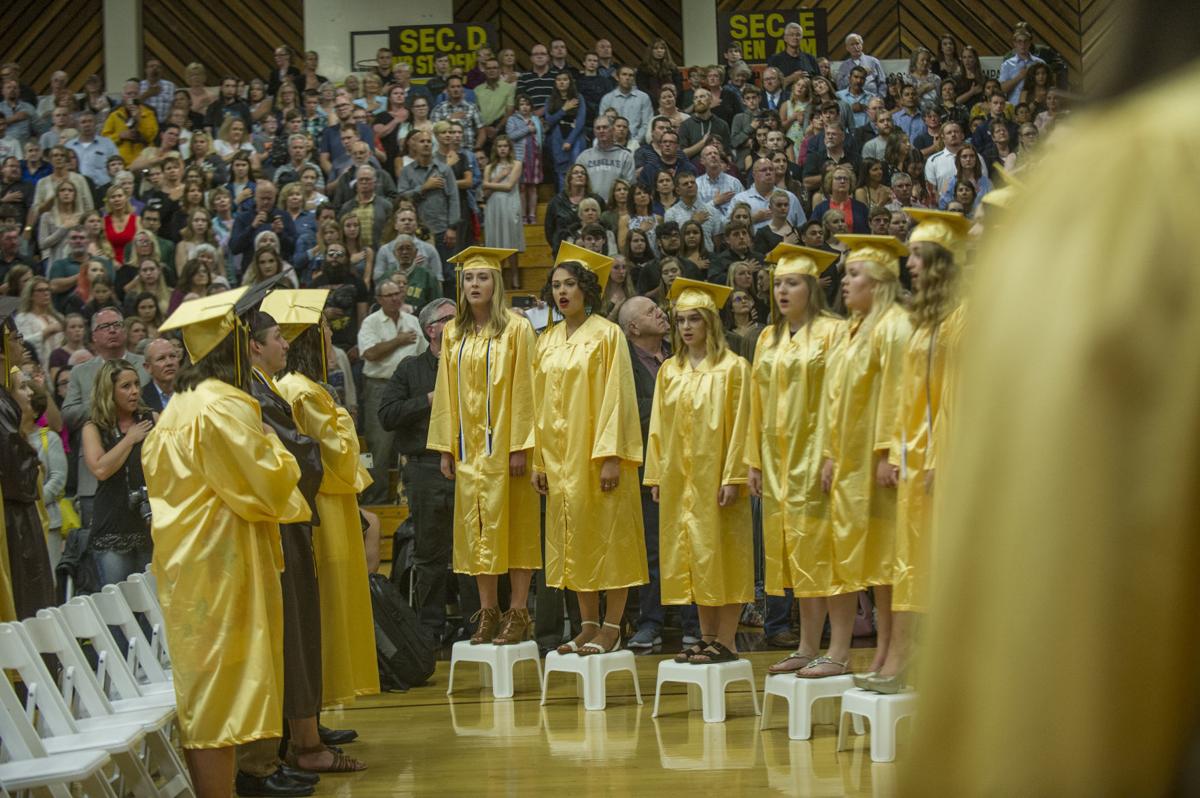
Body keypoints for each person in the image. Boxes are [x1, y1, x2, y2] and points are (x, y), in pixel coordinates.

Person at [144, 287, 310, 797]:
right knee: (219, 691)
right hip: (222, 564)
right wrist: (277, 445)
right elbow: (269, 485)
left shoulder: (178, 407)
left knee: (205, 687)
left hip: (187, 564)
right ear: (235, 347)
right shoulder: (223, 406)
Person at [854, 209, 969, 695]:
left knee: (943, 560)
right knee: (910, 562)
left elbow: (963, 395)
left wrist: (948, 457)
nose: (912, 265)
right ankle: (904, 658)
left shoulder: (964, 319)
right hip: (917, 458)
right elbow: (909, 398)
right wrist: (899, 454)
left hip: (945, 458)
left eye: (920, 256)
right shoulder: (926, 322)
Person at [264, 289, 380, 716]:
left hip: (335, 504)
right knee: (326, 608)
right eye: (326, 328)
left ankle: (321, 708)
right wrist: (345, 420)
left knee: (334, 607)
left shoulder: (310, 387)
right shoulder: (300, 391)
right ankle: (317, 705)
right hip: (322, 508)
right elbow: (335, 454)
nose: (332, 336)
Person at [531, 244, 647, 654]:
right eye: (556, 285)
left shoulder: (607, 334)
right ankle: (586, 624)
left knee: (610, 536)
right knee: (572, 538)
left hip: (598, 456)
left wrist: (612, 455)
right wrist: (538, 460)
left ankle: (613, 625)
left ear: (586, 289)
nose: (562, 292)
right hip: (559, 460)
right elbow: (537, 405)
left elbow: (618, 397)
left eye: (570, 284)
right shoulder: (545, 341)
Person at [427, 247, 542, 645]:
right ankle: (488, 611)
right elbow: (445, 392)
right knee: (476, 530)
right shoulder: (454, 332)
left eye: (482, 278)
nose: (474, 285)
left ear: (496, 284)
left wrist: (520, 446)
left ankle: (519, 611)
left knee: (517, 525)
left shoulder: (516, 328)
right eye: (468, 279)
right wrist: (446, 447)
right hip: (469, 451)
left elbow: (527, 388)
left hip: (508, 449)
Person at [744, 244, 845, 674]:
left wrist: (834, 454)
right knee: (798, 553)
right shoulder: (768, 337)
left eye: (793, 283)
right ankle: (806, 645)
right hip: (779, 459)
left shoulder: (834, 332)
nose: (783, 290)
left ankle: (838, 651)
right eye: (779, 283)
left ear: (812, 287)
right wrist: (753, 460)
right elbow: (757, 401)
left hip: (819, 456)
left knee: (831, 553)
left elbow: (843, 398)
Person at [815, 234, 912, 681]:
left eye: (854, 274)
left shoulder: (894, 326)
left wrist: (889, 452)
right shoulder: (854, 329)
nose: (845, 282)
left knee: (893, 559)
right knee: (877, 562)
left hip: (880, 464)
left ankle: (898, 651)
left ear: (879, 282)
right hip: (853, 463)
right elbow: (834, 401)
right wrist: (831, 454)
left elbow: (899, 393)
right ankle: (883, 649)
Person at [644, 277, 753, 663]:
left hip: (718, 477)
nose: (687, 327)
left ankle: (727, 639)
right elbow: (658, 425)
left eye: (695, 320)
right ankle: (707, 638)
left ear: (711, 323)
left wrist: (734, 475)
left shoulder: (734, 368)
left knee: (724, 554)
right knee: (695, 557)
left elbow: (744, 424)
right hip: (680, 478)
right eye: (681, 321)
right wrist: (656, 474)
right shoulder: (670, 372)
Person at [378, 297, 481, 641]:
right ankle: (430, 629)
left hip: (471, 465)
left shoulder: (475, 361)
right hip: (425, 470)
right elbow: (387, 415)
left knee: (473, 550)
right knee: (429, 552)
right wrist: (427, 400)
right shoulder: (411, 368)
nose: (459, 322)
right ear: (431, 329)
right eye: (451, 318)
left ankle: (477, 622)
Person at [60, 308, 148, 525]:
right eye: (104, 327)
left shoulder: (145, 365)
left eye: (117, 325)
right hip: (95, 473)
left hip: (144, 472)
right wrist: (106, 402)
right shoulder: (80, 372)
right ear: (94, 336)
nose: (112, 331)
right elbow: (68, 415)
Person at [0, 299, 55, 620]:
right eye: (15, 337)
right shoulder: (3, 403)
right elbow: (19, 478)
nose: (21, 342)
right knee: (25, 604)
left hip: (18, 516)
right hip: (12, 521)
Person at [80, 358, 155, 586]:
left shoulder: (151, 419)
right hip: (112, 527)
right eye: (125, 386)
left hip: (148, 523)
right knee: (120, 607)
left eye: (136, 384)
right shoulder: (93, 427)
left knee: (154, 604)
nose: (134, 391)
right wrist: (130, 439)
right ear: (108, 391)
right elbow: (101, 469)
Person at [357, 278, 426, 503]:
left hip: (411, 388)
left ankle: (409, 499)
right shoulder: (371, 322)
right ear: (379, 299)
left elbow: (425, 354)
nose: (396, 298)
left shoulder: (413, 321)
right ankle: (375, 500)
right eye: (390, 295)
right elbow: (370, 354)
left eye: (398, 293)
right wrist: (399, 340)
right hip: (380, 387)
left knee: (413, 441)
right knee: (380, 445)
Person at [576, 116, 634, 206]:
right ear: (594, 132)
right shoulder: (584, 156)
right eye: (598, 128)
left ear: (612, 130)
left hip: (616, 208)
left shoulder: (625, 156)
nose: (601, 130)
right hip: (591, 207)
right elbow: (577, 185)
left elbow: (629, 184)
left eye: (605, 127)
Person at [599, 66, 652, 144]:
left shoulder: (643, 97)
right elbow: (603, 123)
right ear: (617, 77)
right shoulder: (607, 99)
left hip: (636, 142)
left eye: (631, 75)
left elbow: (646, 123)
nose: (627, 78)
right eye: (624, 74)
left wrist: (636, 141)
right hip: (611, 142)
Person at [767, 22, 819, 87]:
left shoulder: (810, 58)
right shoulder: (775, 60)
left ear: (801, 38)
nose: (795, 37)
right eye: (791, 35)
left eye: (798, 35)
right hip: (784, 96)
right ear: (785, 38)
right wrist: (792, 78)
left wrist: (810, 81)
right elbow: (770, 86)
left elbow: (819, 81)